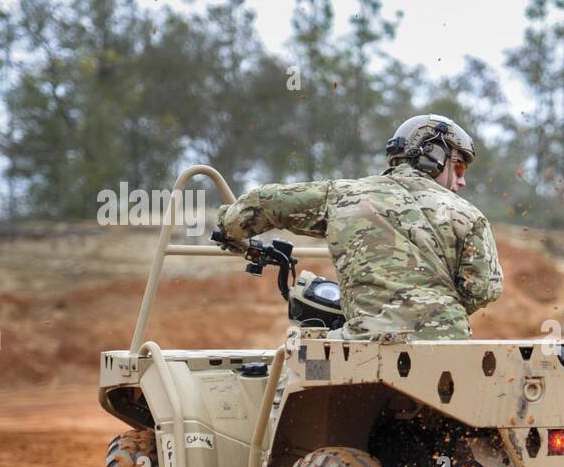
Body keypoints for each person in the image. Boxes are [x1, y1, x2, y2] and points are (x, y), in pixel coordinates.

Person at [213, 114, 503, 339]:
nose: (462, 181)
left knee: (300, 358)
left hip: (365, 347)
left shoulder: (342, 195)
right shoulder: (470, 216)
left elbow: (266, 202)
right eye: (460, 168)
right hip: (449, 355)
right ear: (434, 156)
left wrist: (229, 229)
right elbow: (483, 290)